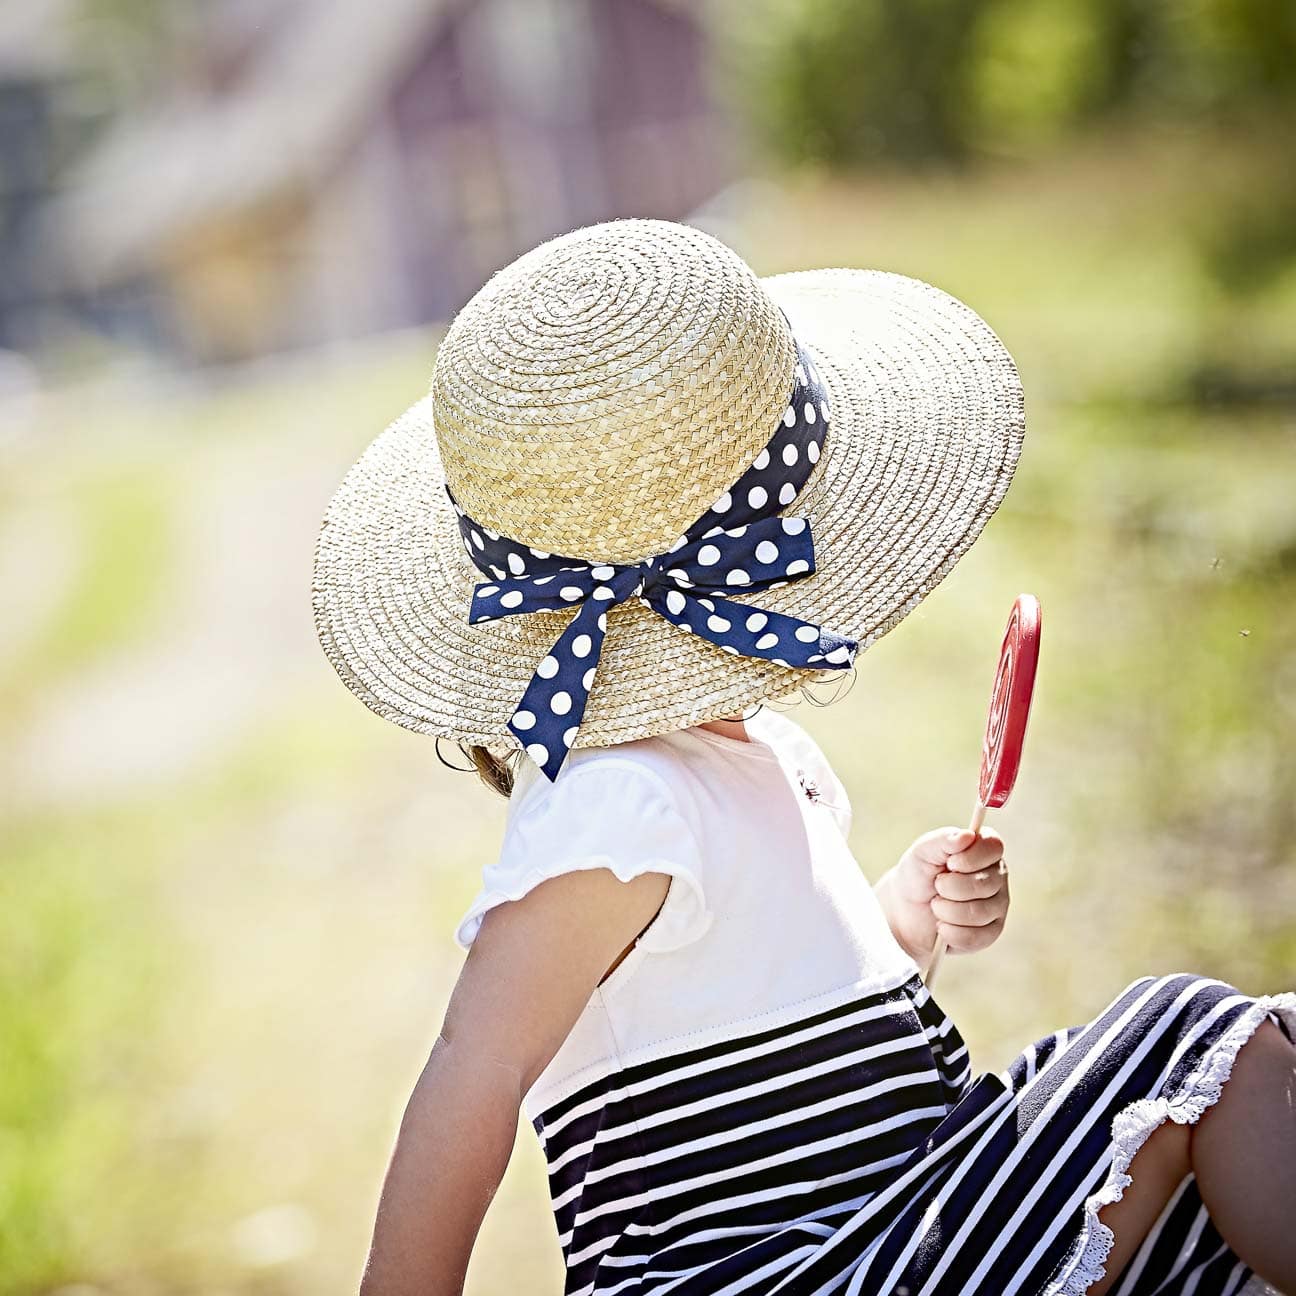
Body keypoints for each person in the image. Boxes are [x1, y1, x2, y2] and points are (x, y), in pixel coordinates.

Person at [312, 219, 1296, 1296]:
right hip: (776, 1272)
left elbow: (774, 1017)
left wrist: (904, 921)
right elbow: (476, 1066)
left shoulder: (759, 757)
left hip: (882, 1224)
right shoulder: (619, 800)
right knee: (1195, 1042)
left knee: (1224, 1105)